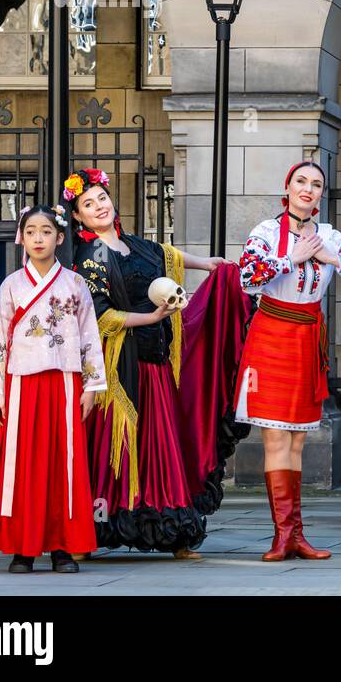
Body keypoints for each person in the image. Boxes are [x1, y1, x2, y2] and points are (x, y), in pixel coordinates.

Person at [67, 166, 250, 558]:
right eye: (88, 204)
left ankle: (174, 534)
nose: (98, 206)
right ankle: (89, 534)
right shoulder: (90, 257)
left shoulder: (136, 244)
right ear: (78, 217)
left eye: (101, 198)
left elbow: (167, 256)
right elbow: (100, 314)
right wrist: (149, 319)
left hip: (156, 362)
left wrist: (209, 264)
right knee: (114, 451)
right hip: (119, 368)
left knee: (161, 449)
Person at [236, 160, 341, 560]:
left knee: (299, 440)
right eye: (301, 182)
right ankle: (281, 534)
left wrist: (333, 257)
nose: (308, 189)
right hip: (271, 334)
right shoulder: (267, 232)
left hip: (307, 338)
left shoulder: (329, 236)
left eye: (316, 184)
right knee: (274, 436)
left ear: (322, 194)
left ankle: (297, 535)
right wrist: (293, 257)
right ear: (287, 188)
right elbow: (247, 276)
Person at [0, 204, 106, 573]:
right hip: (21, 384)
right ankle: (24, 547)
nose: (38, 238)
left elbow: (88, 337)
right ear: (22, 237)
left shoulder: (76, 284)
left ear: (60, 238)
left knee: (63, 465)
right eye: (31, 231)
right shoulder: (12, 285)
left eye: (46, 231)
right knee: (23, 464)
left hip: (65, 383)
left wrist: (92, 385)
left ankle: (63, 547)